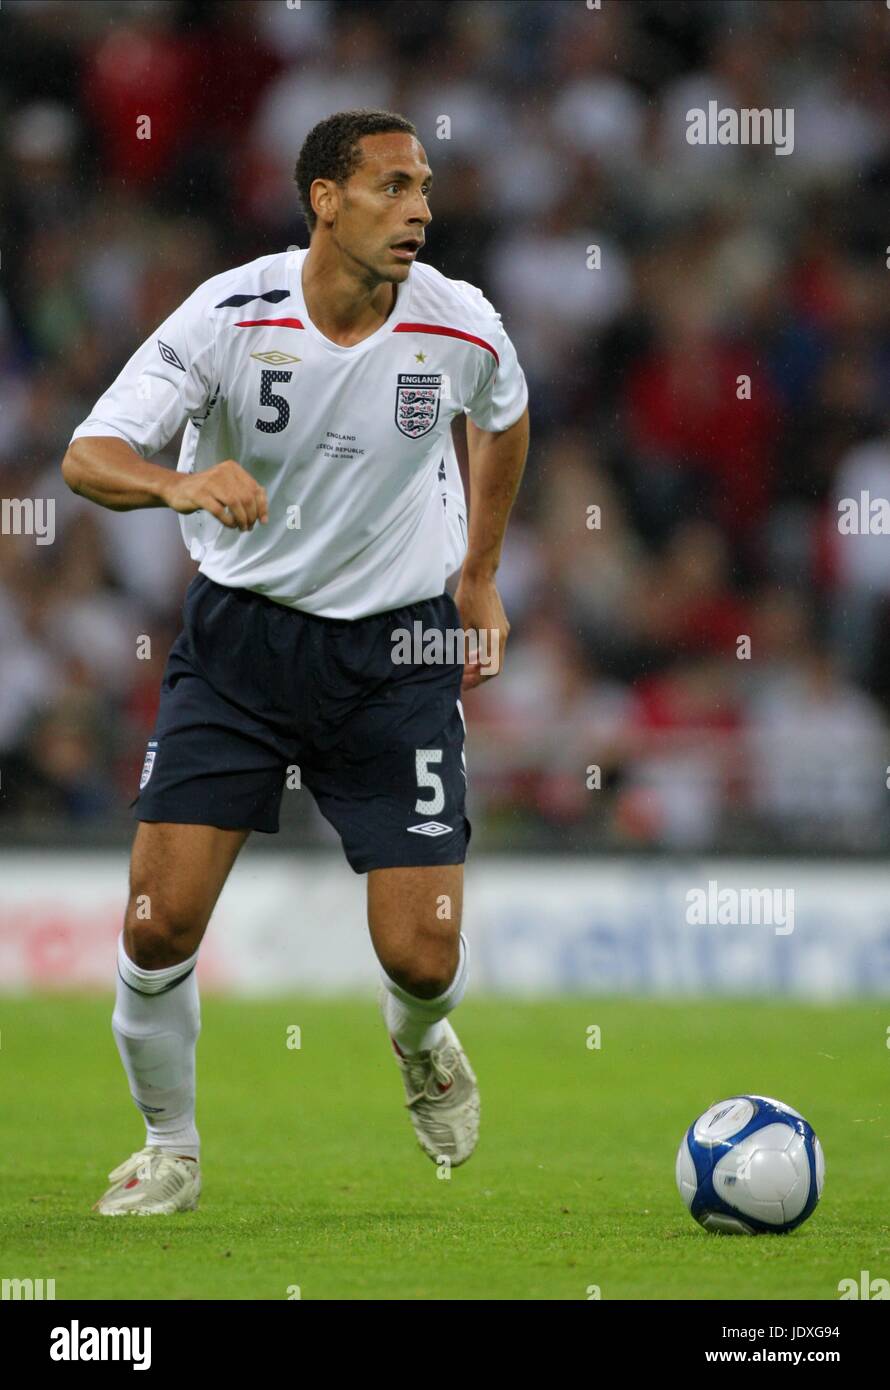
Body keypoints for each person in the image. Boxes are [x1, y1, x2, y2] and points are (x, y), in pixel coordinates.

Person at [62, 109, 530, 1214]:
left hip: (397, 650)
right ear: (324, 199)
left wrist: (478, 575)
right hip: (243, 641)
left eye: (424, 186)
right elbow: (88, 456)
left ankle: (418, 1039)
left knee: (421, 955)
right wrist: (179, 483)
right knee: (157, 922)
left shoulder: (460, 324)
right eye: (390, 186)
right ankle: (170, 1147)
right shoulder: (231, 313)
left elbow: (504, 419)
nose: (419, 207)